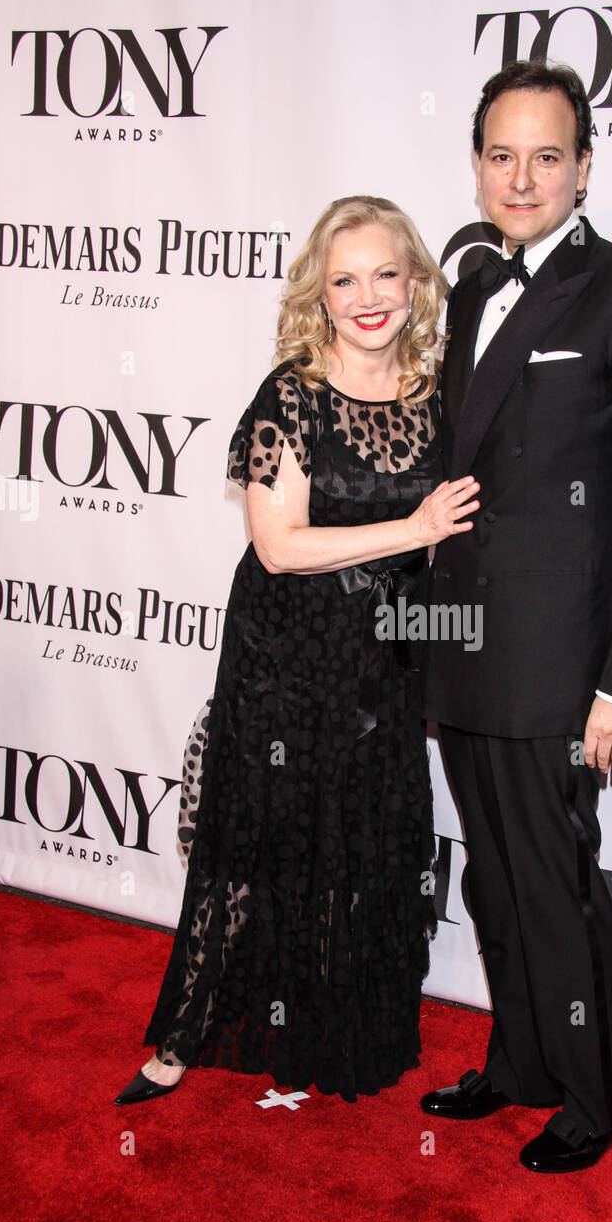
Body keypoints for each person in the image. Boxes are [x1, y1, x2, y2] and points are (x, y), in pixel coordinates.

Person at [115, 195, 480, 1106]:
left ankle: (341, 1028)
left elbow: (448, 548)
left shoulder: (437, 398)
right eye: (344, 279)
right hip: (286, 654)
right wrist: (412, 525)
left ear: (415, 282)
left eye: (385, 275)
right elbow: (281, 545)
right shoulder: (292, 393)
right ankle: (185, 1032)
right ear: (319, 295)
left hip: (383, 659)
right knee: (258, 839)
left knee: (366, 842)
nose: (367, 297)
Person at [420, 61, 612, 1171]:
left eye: (546, 154)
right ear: (478, 166)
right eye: (501, 154)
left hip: (558, 667)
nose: (522, 174)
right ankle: (522, 1063)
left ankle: (595, 1099)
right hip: (464, 653)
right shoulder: (469, 291)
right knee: (492, 876)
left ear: (584, 167)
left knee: (552, 881)